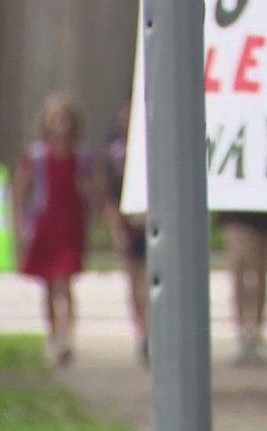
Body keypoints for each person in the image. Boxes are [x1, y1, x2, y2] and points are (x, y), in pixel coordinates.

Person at [11, 92, 98, 366]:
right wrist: (20, 227)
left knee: (65, 282)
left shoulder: (81, 156)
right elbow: (19, 192)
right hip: (45, 225)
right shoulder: (36, 156)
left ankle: (67, 337)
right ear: (46, 123)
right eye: (55, 119)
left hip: (70, 224)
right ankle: (53, 336)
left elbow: (93, 190)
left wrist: (92, 206)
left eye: (65, 119)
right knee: (49, 284)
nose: (61, 125)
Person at [102, 101, 149, 364]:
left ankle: (152, 330)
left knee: (153, 279)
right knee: (134, 279)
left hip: (152, 217)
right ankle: (141, 331)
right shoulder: (115, 147)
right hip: (126, 219)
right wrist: (115, 224)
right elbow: (110, 189)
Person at [213, 209, 267, 364]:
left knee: (261, 270)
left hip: (266, 205)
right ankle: (242, 332)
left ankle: (256, 333)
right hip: (236, 206)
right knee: (241, 263)